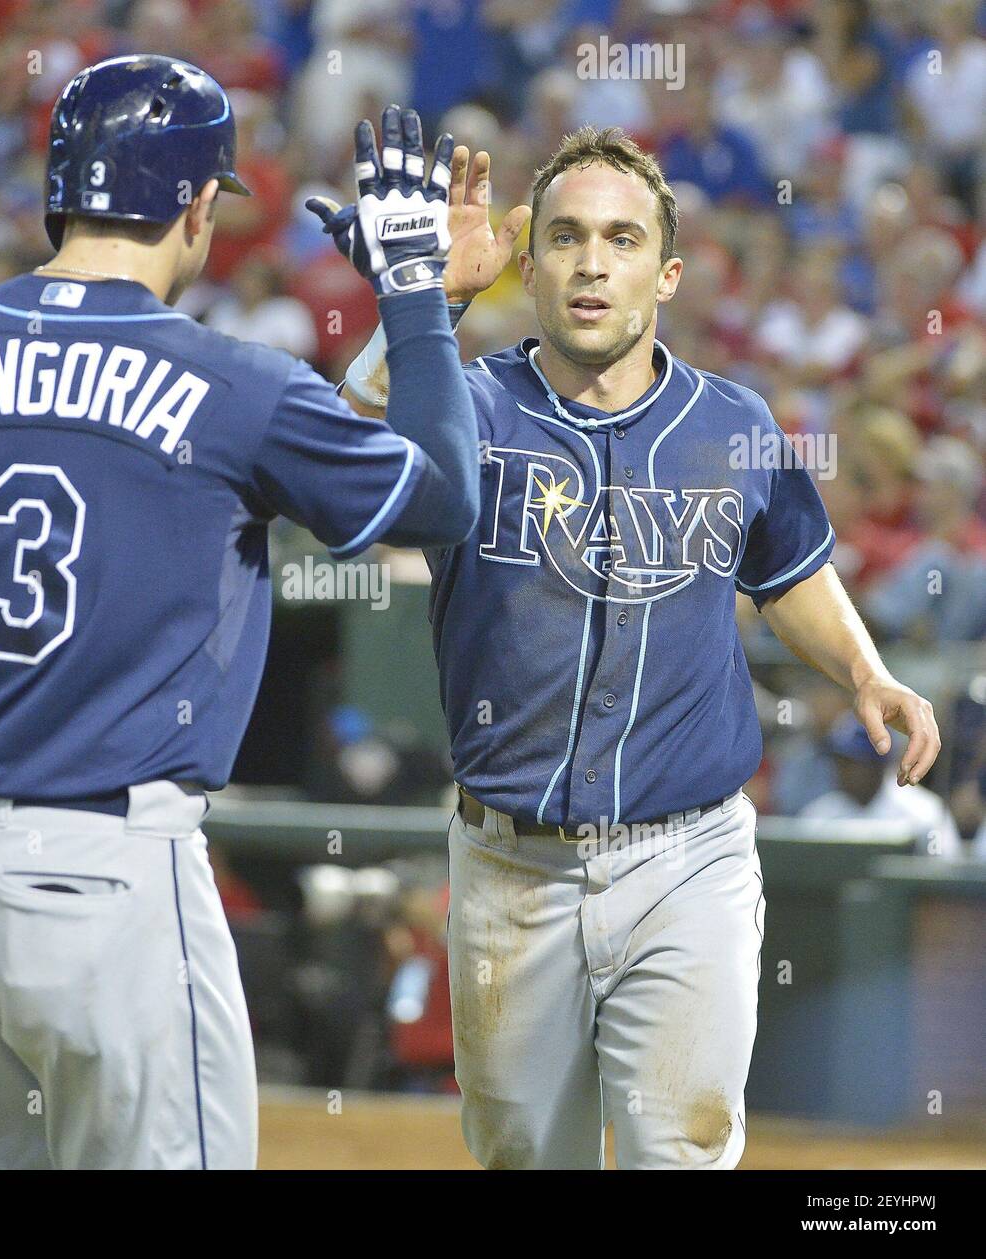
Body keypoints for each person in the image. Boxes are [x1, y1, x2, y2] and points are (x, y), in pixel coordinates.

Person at [0, 56, 479, 1170]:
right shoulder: (234, 382)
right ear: (197, 205)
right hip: (106, 873)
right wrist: (415, 289)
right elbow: (443, 496)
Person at [325, 124, 941, 1169]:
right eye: (564, 236)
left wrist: (864, 668)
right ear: (530, 262)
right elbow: (349, 460)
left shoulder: (733, 421)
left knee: (681, 1149)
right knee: (529, 1156)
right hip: (508, 862)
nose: (592, 261)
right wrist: (427, 299)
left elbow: (787, 569)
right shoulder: (467, 406)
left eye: (619, 238)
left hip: (686, 853)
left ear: (664, 273)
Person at [800, 714, 961, 858]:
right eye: (839, 762)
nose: (842, 771)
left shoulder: (925, 812)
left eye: (852, 763)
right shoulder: (817, 815)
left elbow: (945, 876)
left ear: (878, 764)